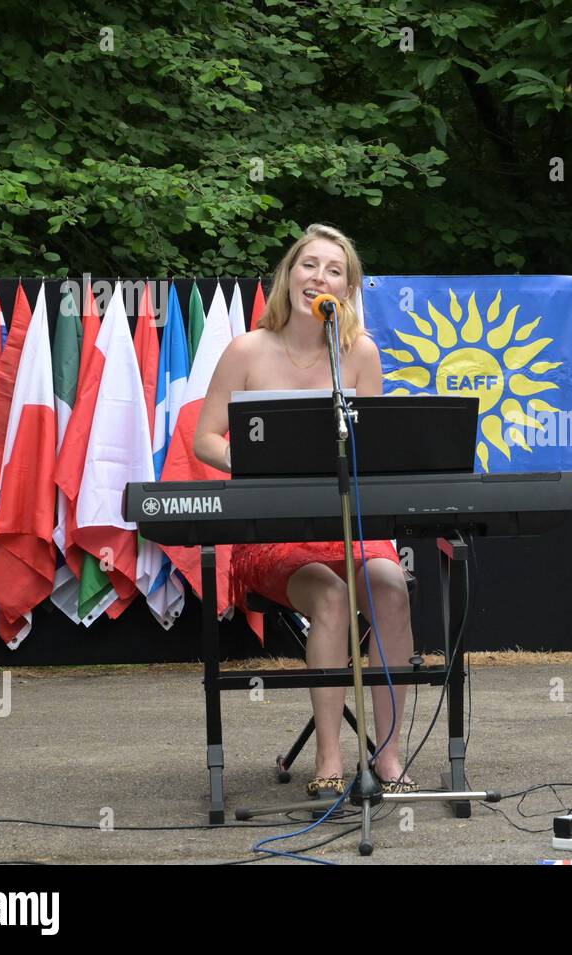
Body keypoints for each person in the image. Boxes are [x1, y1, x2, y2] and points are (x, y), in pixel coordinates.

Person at [194, 223, 416, 797]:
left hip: (347, 524)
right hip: (276, 533)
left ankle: (388, 760)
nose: (318, 277)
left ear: (346, 290)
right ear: (289, 275)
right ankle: (329, 759)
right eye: (308, 265)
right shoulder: (247, 349)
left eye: (334, 270)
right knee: (330, 592)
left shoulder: (359, 354)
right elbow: (206, 438)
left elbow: (374, 446)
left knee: (391, 583)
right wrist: (255, 462)